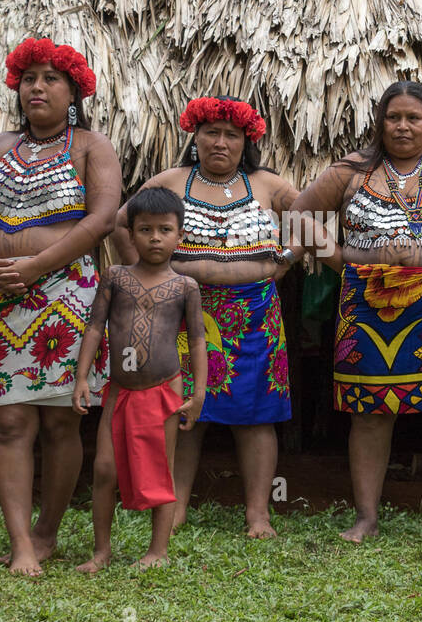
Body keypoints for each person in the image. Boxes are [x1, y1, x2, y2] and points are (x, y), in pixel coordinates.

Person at [291, 80, 422, 546]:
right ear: (380, 123)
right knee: (369, 413)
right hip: (367, 308)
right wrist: (342, 259)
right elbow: (297, 215)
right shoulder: (351, 172)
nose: (404, 126)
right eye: (394, 117)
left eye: (414, 117)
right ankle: (366, 518)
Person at [0, 38, 120, 576]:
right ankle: (21, 542)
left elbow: (100, 219)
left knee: (58, 423)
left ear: (73, 91)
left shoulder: (91, 146)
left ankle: (47, 531)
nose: (38, 87)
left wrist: (35, 266)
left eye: (51, 78)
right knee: (7, 422)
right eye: (29, 78)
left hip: (67, 295)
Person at [113, 96, 301, 538]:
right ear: (194, 137)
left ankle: (258, 513)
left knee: (256, 414)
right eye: (210, 133)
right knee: (182, 407)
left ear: (246, 140)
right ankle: (173, 508)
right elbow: (122, 222)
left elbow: (313, 223)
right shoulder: (172, 181)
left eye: (231, 135)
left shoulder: (270, 185)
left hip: (254, 314)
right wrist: (146, 277)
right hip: (182, 311)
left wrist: (284, 261)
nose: (220, 142)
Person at [73, 187, 207, 571]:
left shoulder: (186, 287)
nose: (155, 238)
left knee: (160, 469)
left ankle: (157, 551)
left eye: (165, 230)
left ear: (180, 235)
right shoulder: (115, 277)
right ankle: (101, 551)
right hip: (120, 390)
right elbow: (95, 328)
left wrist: (198, 394)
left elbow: (197, 342)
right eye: (145, 229)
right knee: (104, 468)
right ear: (129, 234)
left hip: (165, 388)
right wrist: (82, 377)